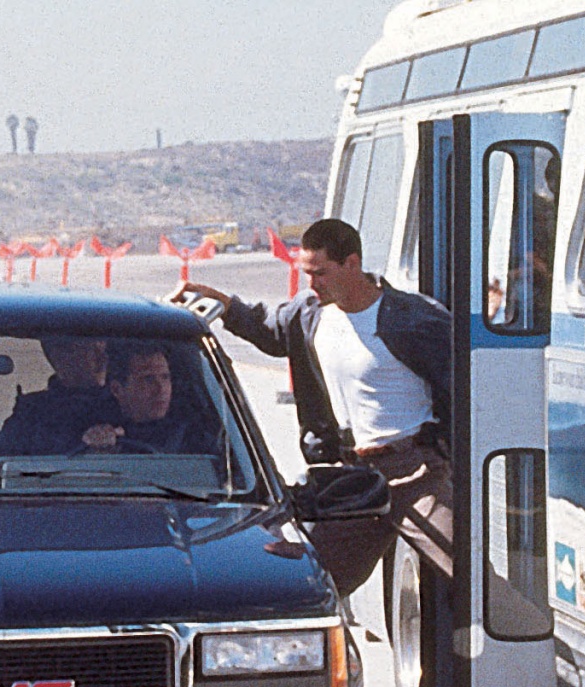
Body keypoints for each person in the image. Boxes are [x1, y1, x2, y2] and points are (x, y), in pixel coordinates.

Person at [180, 217, 453, 595]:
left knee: (473, 581)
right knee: (303, 581)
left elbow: (464, 389)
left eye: (321, 273)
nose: (312, 284)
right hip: (352, 479)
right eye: (307, 273)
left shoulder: (414, 318)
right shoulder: (309, 314)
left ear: (352, 264)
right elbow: (268, 331)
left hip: (415, 473)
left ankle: (523, 631)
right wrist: (225, 305)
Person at [79, 340, 207, 454]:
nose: (161, 389)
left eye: (165, 377)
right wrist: (97, 451)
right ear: (117, 389)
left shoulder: (194, 435)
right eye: (148, 379)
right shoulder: (89, 425)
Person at [3, 335, 124, 452]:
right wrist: (81, 442)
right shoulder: (32, 411)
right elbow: (7, 451)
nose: (100, 354)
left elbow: (135, 435)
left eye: (102, 344)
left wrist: (118, 438)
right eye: (70, 349)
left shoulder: (126, 403)